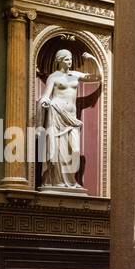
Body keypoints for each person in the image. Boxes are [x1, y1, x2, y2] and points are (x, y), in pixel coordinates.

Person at [39, 48, 100, 190]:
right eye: (66, 59)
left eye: (71, 58)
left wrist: (93, 60)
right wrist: (44, 102)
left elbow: (98, 76)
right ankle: (56, 182)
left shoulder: (75, 75)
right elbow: (46, 95)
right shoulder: (53, 77)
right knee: (57, 151)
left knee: (75, 150)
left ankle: (71, 182)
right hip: (56, 114)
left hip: (72, 119)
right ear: (59, 60)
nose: (70, 61)